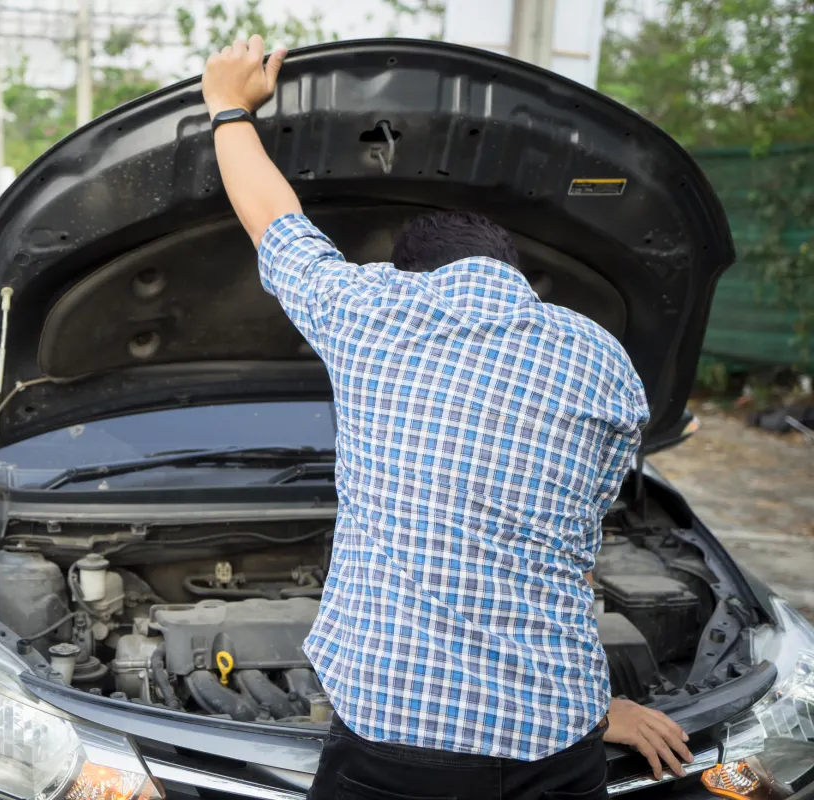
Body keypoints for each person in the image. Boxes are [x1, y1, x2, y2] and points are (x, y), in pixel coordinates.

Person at [200, 36, 696, 800]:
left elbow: (275, 220)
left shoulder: (375, 310)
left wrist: (228, 106)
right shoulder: (605, 358)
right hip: (560, 743)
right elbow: (576, 548)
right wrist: (603, 711)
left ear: (413, 274)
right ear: (513, 273)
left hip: (398, 751)